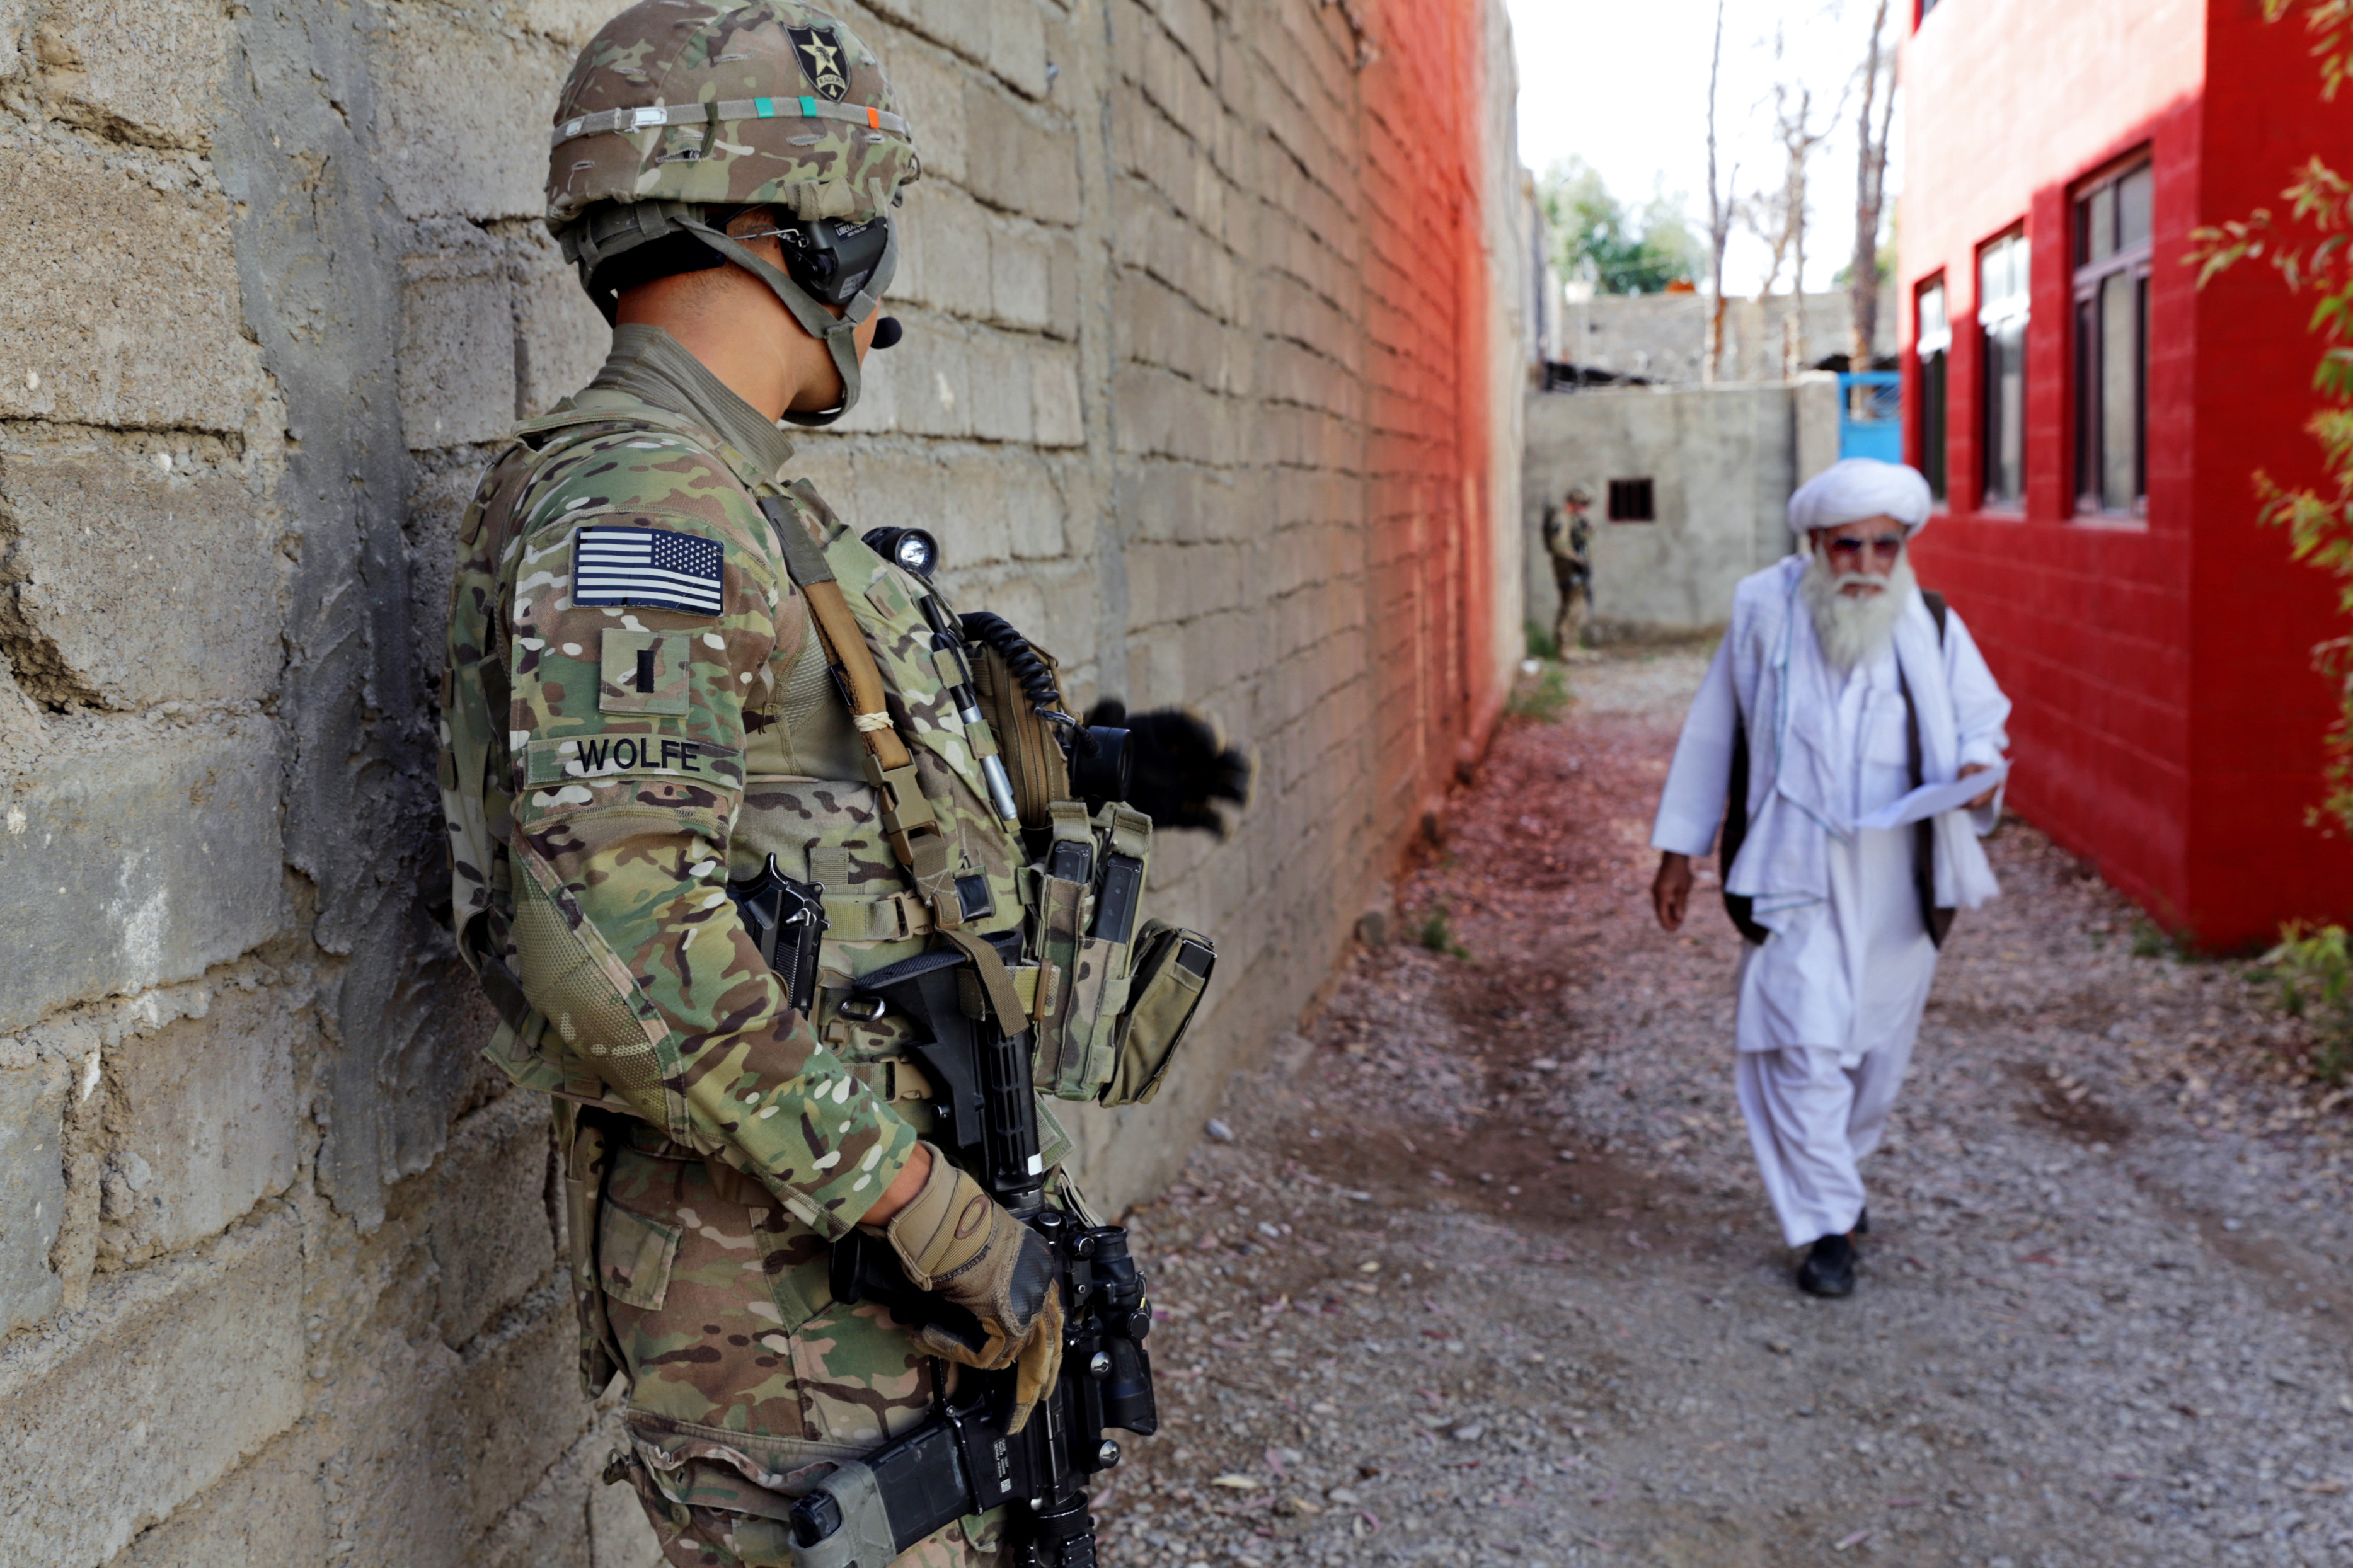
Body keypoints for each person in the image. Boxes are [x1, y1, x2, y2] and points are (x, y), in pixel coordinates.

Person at [437, 5, 1243, 1562]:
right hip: (794, 1297)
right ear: (784, 234)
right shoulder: (647, 505)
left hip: (861, 1258)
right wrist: (931, 1216)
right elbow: (618, 946)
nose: (879, 301)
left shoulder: (743, 505)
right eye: (865, 226)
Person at [1645, 458, 2010, 1298]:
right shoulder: (1761, 610)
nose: (1868, 567)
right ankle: (1824, 1227)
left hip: (1896, 879)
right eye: (1849, 547)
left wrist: (1979, 766)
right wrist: (1679, 849)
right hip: (1790, 869)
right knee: (1796, 1040)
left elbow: (1981, 721)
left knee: (1872, 1052)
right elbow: (1713, 731)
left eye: (1887, 546)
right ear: (1814, 542)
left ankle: (1838, 1174)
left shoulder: (1928, 621)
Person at [1542, 486, 1595, 656]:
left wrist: (1586, 533)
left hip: (1574, 567)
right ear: (1575, 502)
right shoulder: (1562, 519)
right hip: (1568, 567)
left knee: (1575, 605)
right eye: (1583, 504)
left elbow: (1577, 540)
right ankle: (1566, 647)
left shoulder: (1573, 520)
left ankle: (1571, 645)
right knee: (1572, 606)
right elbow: (1560, 545)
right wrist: (1576, 559)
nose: (1585, 509)